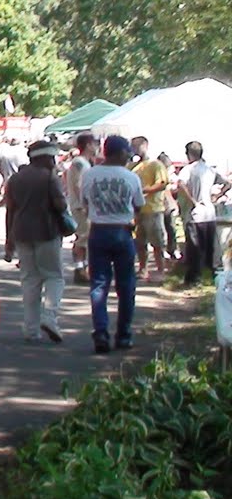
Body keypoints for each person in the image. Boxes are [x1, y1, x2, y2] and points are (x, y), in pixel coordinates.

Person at [80, 135, 145, 354]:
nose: (129, 156)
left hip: (98, 231)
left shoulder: (89, 175)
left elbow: (85, 203)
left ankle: (101, 333)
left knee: (99, 285)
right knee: (126, 285)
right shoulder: (131, 177)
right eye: (127, 152)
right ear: (118, 153)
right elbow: (138, 206)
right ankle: (124, 335)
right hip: (122, 231)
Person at [3, 140, 68, 343]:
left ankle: (31, 329)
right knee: (54, 277)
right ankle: (49, 317)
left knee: (30, 280)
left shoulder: (15, 179)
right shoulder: (50, 177)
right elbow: (60, 204)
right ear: (48, 158)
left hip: (21, 233)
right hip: (47, 232)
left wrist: (9, 240)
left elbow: (10, 210)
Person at [177, 141, 228, 286]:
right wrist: (216, 197)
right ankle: (213, 274)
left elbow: (181, 183)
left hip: (195, 213)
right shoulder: (209, 170)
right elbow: (227, 183)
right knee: (210, 246)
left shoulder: (189, 169)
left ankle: (194, 278)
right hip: (209, 212)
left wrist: (192, 200)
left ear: (189, 154)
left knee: (194, 248)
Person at [129, 136, 170, 281]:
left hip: (153, 209)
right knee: (140, 243)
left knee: (157, 243)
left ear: (145, 145)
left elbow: (163, 183)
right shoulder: (131, 166)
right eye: (132, 146)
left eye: (137, 146)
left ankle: (160, 270)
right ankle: (142, 269)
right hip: (136, 210)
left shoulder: (155, 165)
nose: (134, 149)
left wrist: (145, 190)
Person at [64, 133, 97, 283]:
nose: (96, 147)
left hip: (84, 205)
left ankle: (82, 268)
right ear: (88, 145)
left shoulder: (85, 162)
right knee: (83, 237)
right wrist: (84, 204)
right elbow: (78, 185)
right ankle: (79, 269)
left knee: (85, 237)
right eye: (94, 143)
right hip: (80, 206)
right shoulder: (79, 162)